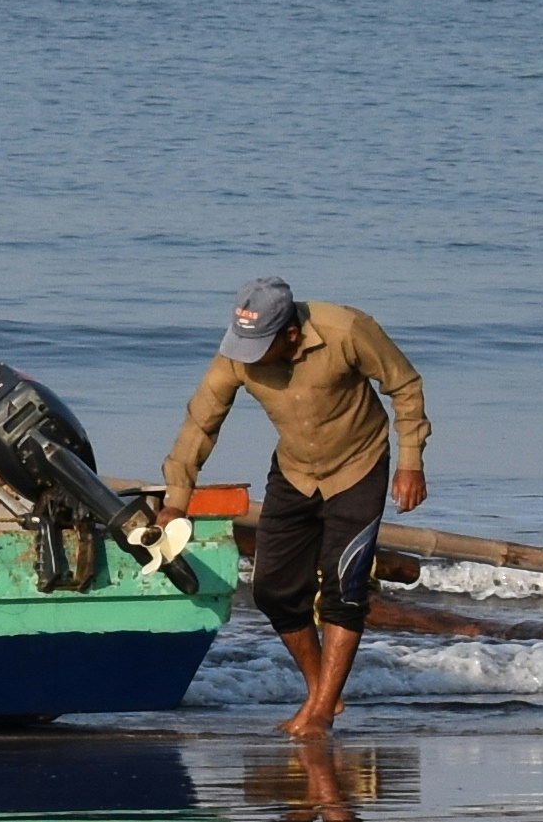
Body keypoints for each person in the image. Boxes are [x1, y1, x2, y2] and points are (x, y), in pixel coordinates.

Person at [159, 277, 428, 739]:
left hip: (358, 467)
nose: (247, 357)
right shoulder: (237, 355)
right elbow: (200, 422)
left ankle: (321, 711)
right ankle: (324, 692)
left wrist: (411, 463)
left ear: (290, 335)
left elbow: (404, 386)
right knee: (272, 590)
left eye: (259, 345)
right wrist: (175, 502)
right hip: (295, 471)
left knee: (344, 586)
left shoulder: (347, 330)